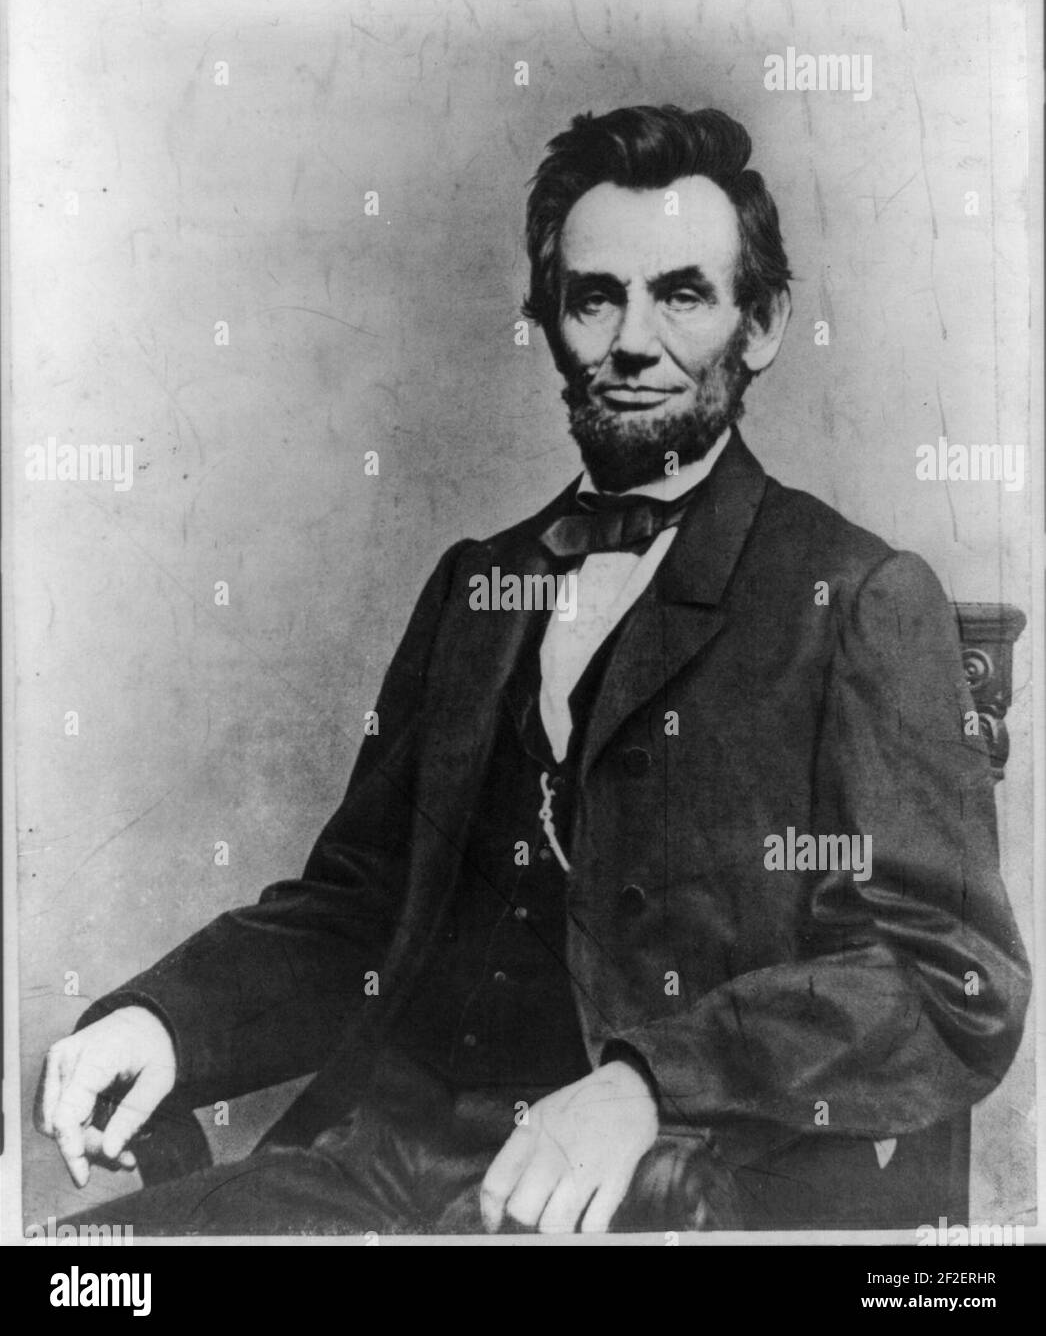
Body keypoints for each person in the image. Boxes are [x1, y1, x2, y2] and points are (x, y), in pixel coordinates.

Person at [36, 105, 1030, 1235]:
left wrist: (647, 1083)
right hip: (379, 1155)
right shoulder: (476, 586)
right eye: (593, 296)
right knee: (88, 1273)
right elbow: (359, 910)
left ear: (759, 325)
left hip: (654, 1188)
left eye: (682, 294)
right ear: (548, 323)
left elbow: (947, 980)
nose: (631, 340)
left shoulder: (855, 598)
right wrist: (167, 1021)